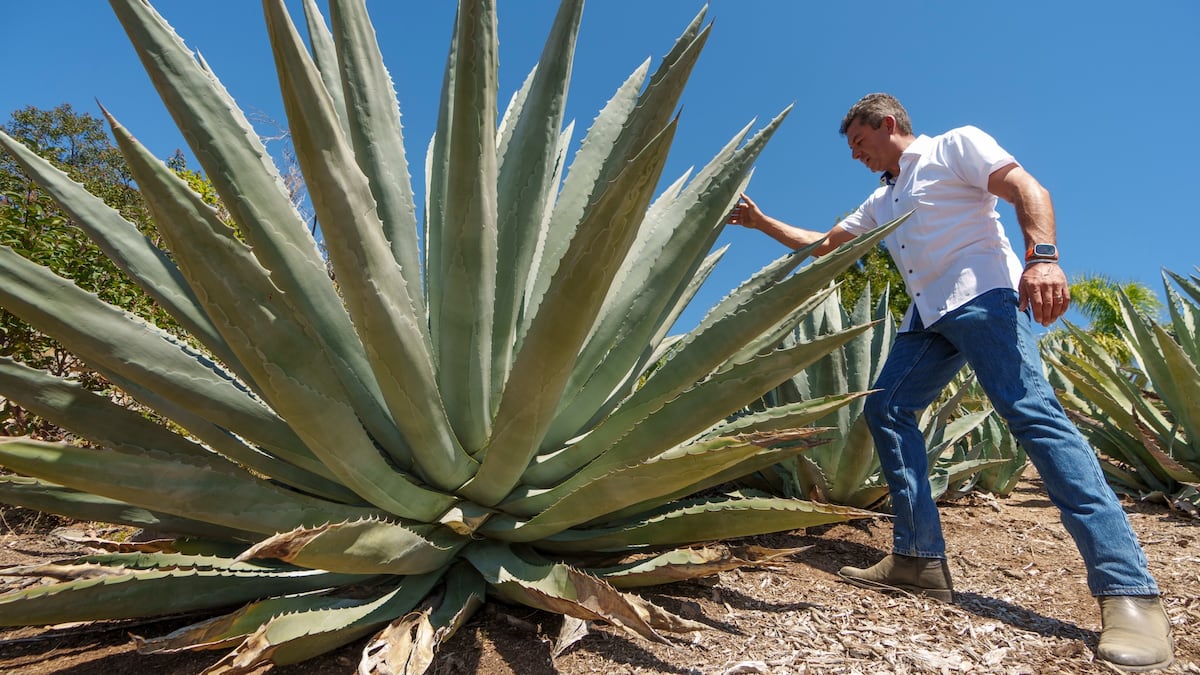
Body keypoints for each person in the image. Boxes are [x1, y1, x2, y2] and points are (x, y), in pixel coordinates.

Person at [729, 93, 1173, 671]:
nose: (857, 156)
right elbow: (825, 245)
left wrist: (1042, 257)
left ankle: (1129, 593)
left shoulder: (953, 146)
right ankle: (919, 561)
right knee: (885, 409)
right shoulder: (881, 198)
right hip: (928, 318)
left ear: (887, 124)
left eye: (860, 143)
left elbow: (1027, 189)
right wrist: (761, 221)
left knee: (1034, 419)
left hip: (984, 298)